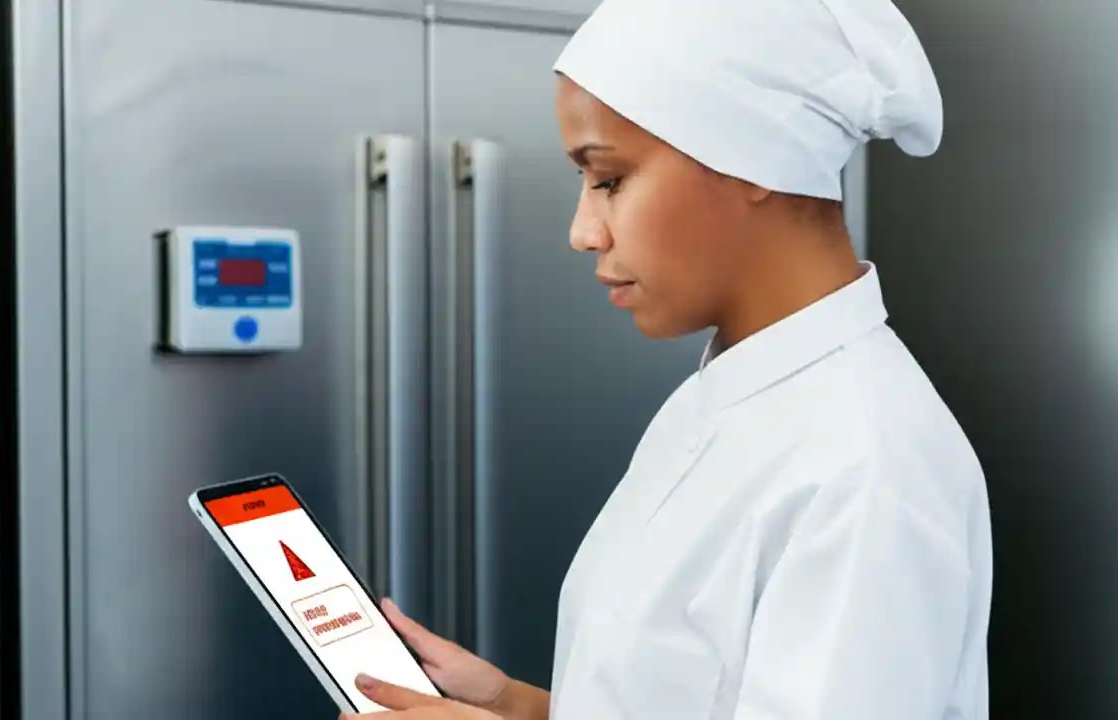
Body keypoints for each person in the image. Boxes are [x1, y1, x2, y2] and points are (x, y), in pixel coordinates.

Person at [347, 0, 992, 717]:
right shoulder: (724, 398)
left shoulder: (867, 466)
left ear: (754, 159)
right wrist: (516, 706)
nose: (583, 232)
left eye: (609, 180)